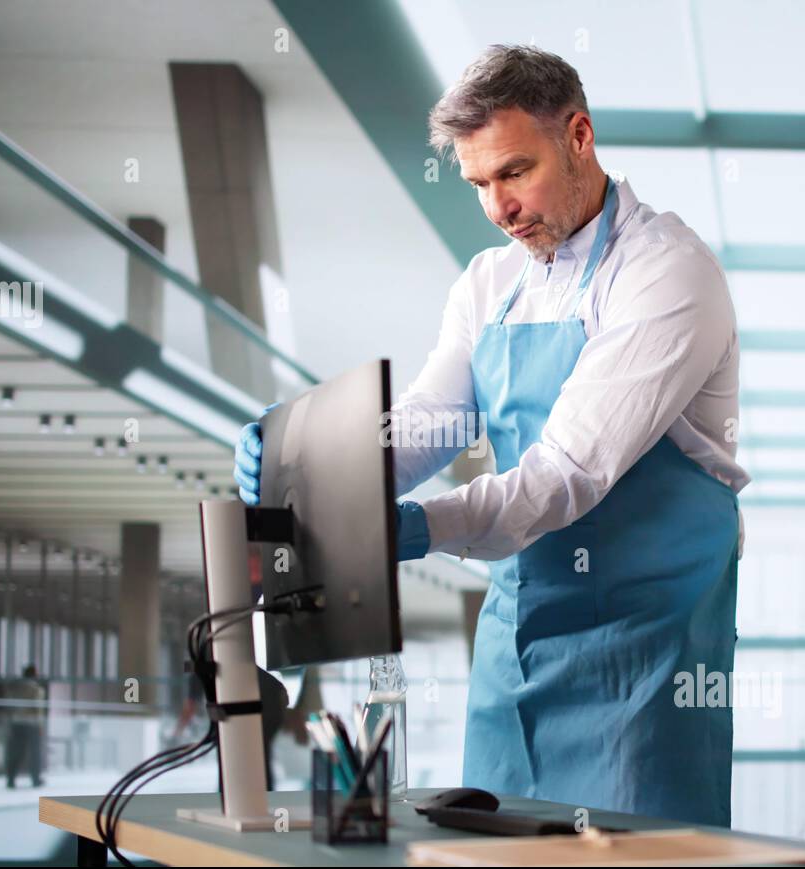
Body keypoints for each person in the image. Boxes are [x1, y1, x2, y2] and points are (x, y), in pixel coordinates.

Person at [234, 45, 749, 827]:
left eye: (514, 172)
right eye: (478, 183)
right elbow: (428, 424)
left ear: (579, 136)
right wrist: (308, 466)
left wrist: (412, 528)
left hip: (644, 658)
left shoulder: (666, 273)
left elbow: (566, 473)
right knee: (496, 849)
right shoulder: (489, 283)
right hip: (517, 643)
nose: (498, 208)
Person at [5, 663, 45, 788]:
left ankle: (11, 779)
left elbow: (10, 704)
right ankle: (35, 778)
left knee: (16, 751)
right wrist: (40, 725)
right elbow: (37, 708)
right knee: (35, 752)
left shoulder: (15, 688)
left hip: (17, 722)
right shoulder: (35, 689)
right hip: (31, 723)